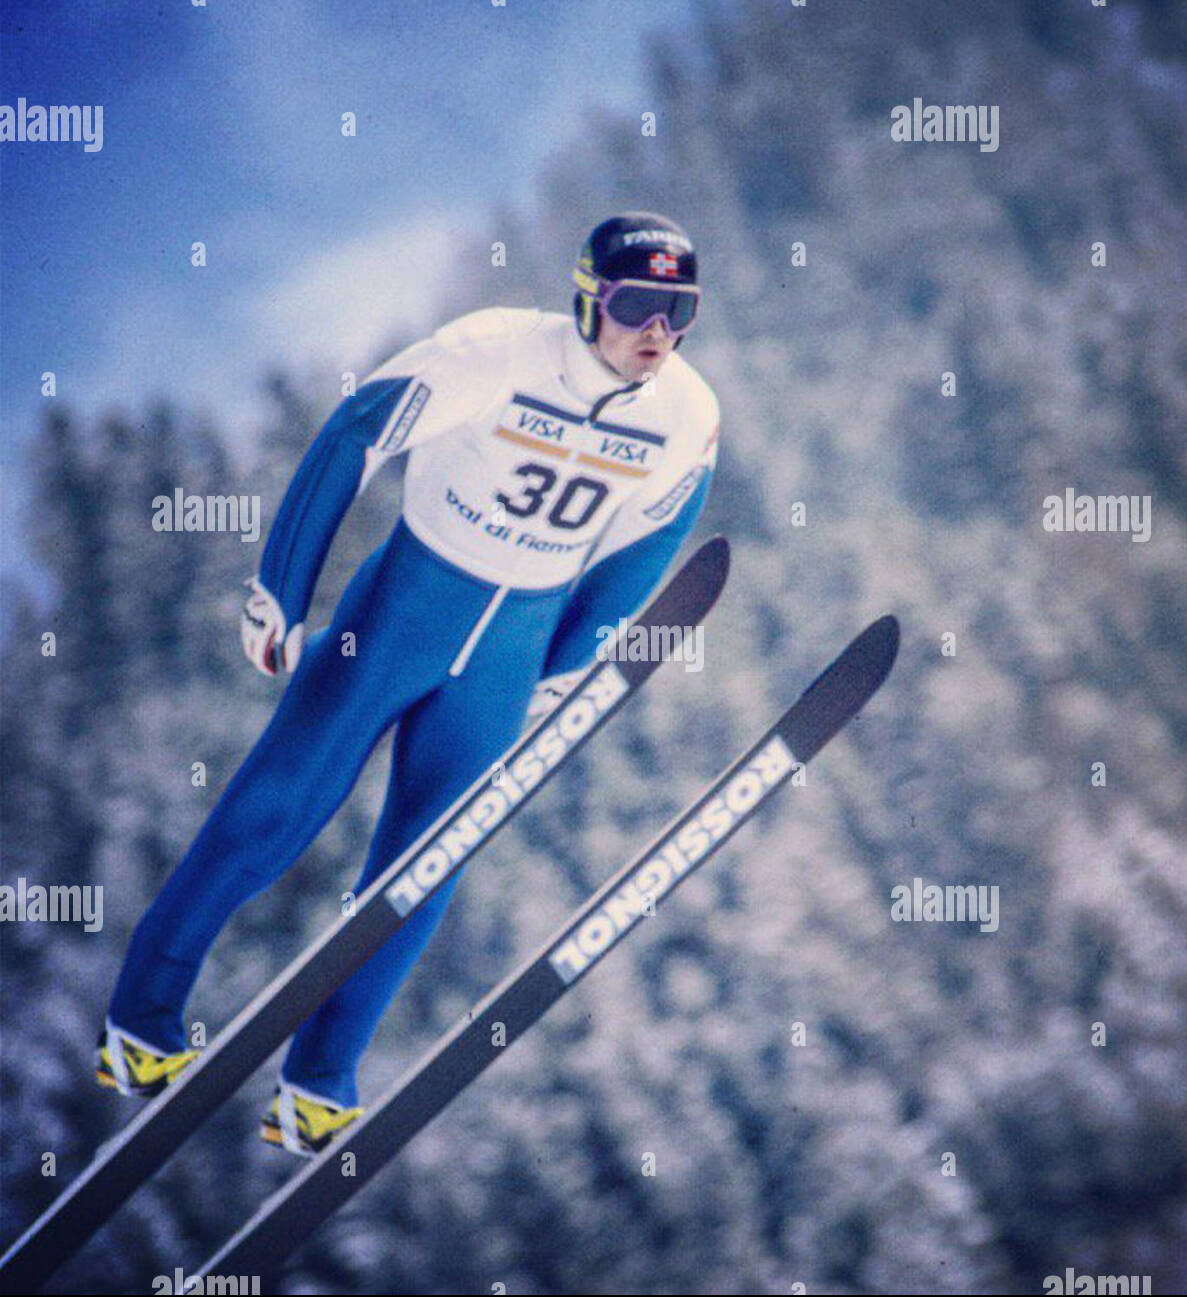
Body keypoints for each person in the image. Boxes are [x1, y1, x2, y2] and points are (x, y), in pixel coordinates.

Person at [98, 211, 721, 1155]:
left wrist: (567, 668)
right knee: (276, 812)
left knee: (424, 871)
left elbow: (649, 545)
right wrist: (282, 589)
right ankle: (144, 1019)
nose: (658, 335)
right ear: (588, 296)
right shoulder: (496, 351)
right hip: (398, 616)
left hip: (509, 654)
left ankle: (318, 1083)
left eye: (680, 312)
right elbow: (356, 431)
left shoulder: (687, 414)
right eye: (638, 306)